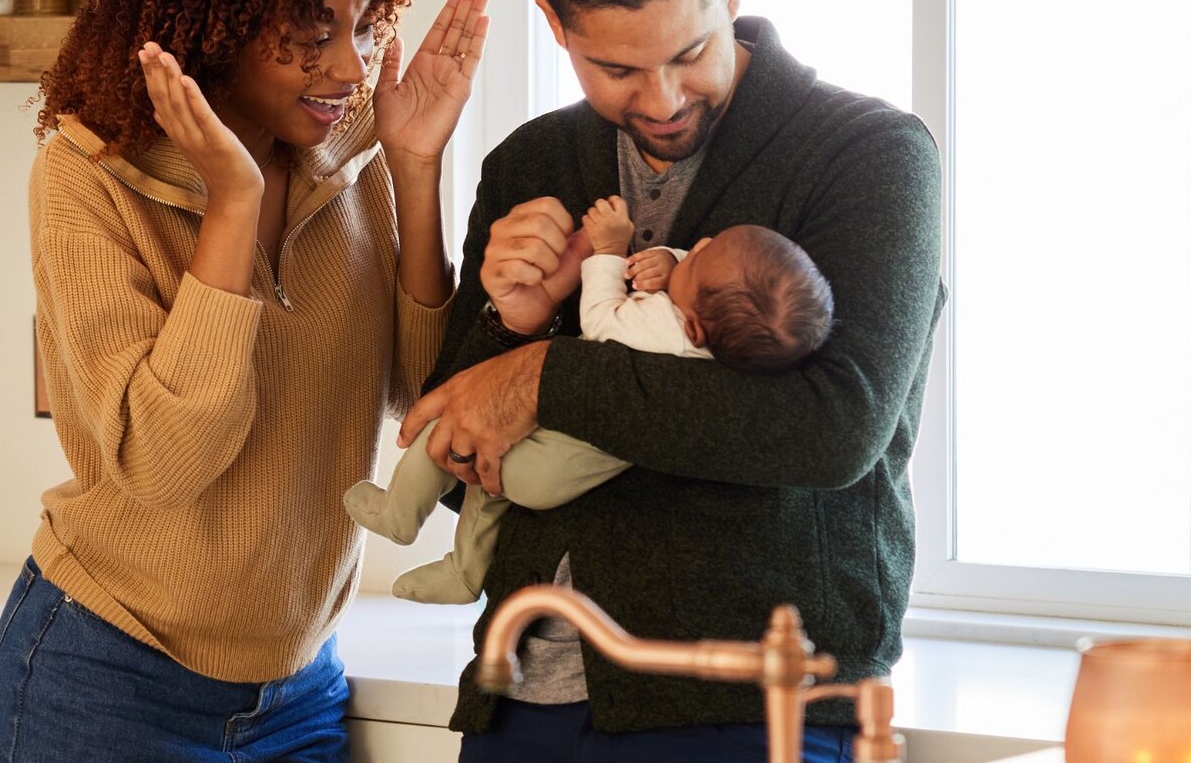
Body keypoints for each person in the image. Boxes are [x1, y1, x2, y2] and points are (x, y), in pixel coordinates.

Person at [399, 0, 946, 763]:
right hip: (518, 703)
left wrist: (548, 374)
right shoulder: (529, 162)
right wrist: (511, 325)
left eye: (688, 50)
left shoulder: (866, 158)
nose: (659, 97)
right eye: (615, 67)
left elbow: (831, 427)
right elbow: (452, 452)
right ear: (554, 25)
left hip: (747, 708)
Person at [0, 0, 484, 763]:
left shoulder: (351, 160)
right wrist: (233, 204)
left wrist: (415, 169)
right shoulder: (85, 176)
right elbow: (163, 457)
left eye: (362, 28)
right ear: (219, 29)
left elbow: (433, 412)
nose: (349, 68)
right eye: (309, 38)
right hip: (101, 680)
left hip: (295, 698)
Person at [345, 195, 833, 603]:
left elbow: (602, 319)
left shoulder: (664, 329)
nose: (698, 244)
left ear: (693, 326)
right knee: (487, 485)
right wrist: (674, 263)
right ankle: (466, 573)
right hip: (556, 470)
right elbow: (691, 283)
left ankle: (398, 516)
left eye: (699, 258)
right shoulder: (707, 342)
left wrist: (609, 250)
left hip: (547, 466)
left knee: (450, 429)